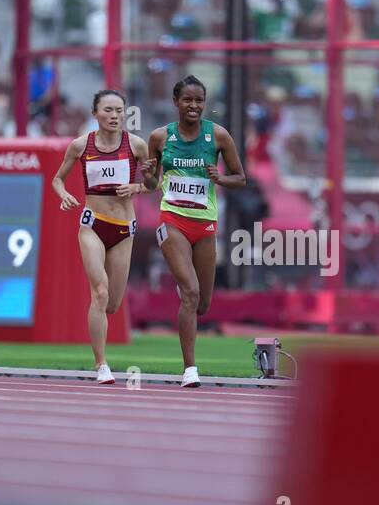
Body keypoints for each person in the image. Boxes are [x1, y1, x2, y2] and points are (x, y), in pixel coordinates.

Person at [145, 75, 245, 387]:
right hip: (172, 220)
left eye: (199, 100)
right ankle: (190, 369)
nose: (194, 106)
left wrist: (220, 178)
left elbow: (240, 177)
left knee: (202, 304)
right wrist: (148, 176)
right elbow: (152, 183)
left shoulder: (218, 136)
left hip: (205, 225)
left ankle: (188, 291)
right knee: (190, 293)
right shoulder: (160, 137)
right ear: (176, 102)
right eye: (187, 100)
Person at [51, 89, 150, 384]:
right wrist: (64, 195)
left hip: (124, 229)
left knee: (113, 304)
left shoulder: (137, 145)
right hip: (92, 225)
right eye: (108, 110)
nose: (114, 115)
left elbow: (157, 181)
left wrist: (137, 187)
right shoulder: (81, 145)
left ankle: (101, 350)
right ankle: (101, 364)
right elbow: (57, 179)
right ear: (95, 113)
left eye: (119, 110)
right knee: (100, 292)